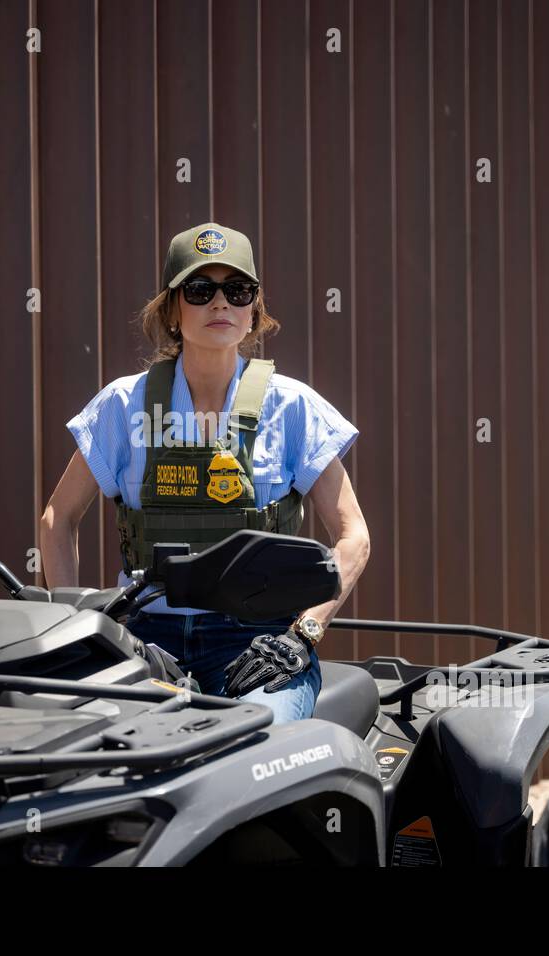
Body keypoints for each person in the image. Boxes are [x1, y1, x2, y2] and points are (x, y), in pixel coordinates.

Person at [39, 221, 370, 723]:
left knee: (257, 753)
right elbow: (56, 519)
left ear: (253, 308)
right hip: (142, 638)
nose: (221, 304)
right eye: (200, 289)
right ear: (172, 309)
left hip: (259, 645)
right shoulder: (124, 405)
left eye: (237, 291)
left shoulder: (293, 407)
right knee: (87, 743)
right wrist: (77, 625)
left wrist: (304, 632)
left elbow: (353, 536)